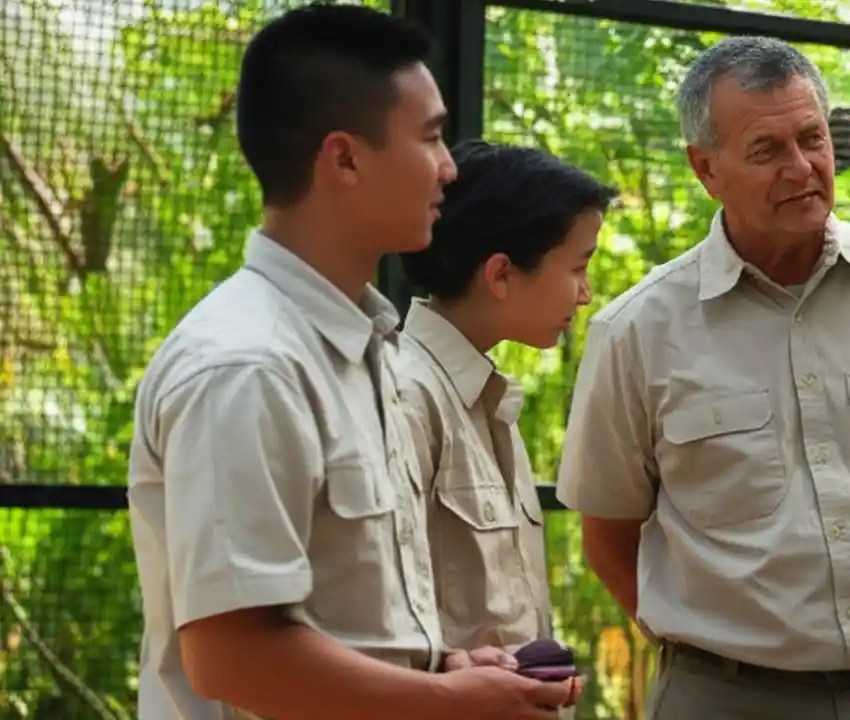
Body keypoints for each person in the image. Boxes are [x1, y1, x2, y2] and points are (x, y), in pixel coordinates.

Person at [555, 35, 850, 719]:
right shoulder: (637, 331)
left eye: (813, 139)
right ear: (705, 169)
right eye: (766, 150)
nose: (802, 167)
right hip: (726, 699)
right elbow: (607, 538)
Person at [127, 5, 577, 719]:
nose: (449, 167)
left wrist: (444, 665)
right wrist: (446, 701)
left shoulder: (367, 350)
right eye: (430, 137)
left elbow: (350, 619)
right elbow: (233, 656)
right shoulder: (248, 365)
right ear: (344, 158)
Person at [393, 139, 614, 660]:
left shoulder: (485, 399)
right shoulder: (407, 398)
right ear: (500, 274)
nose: (585, 294)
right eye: (578, 267)